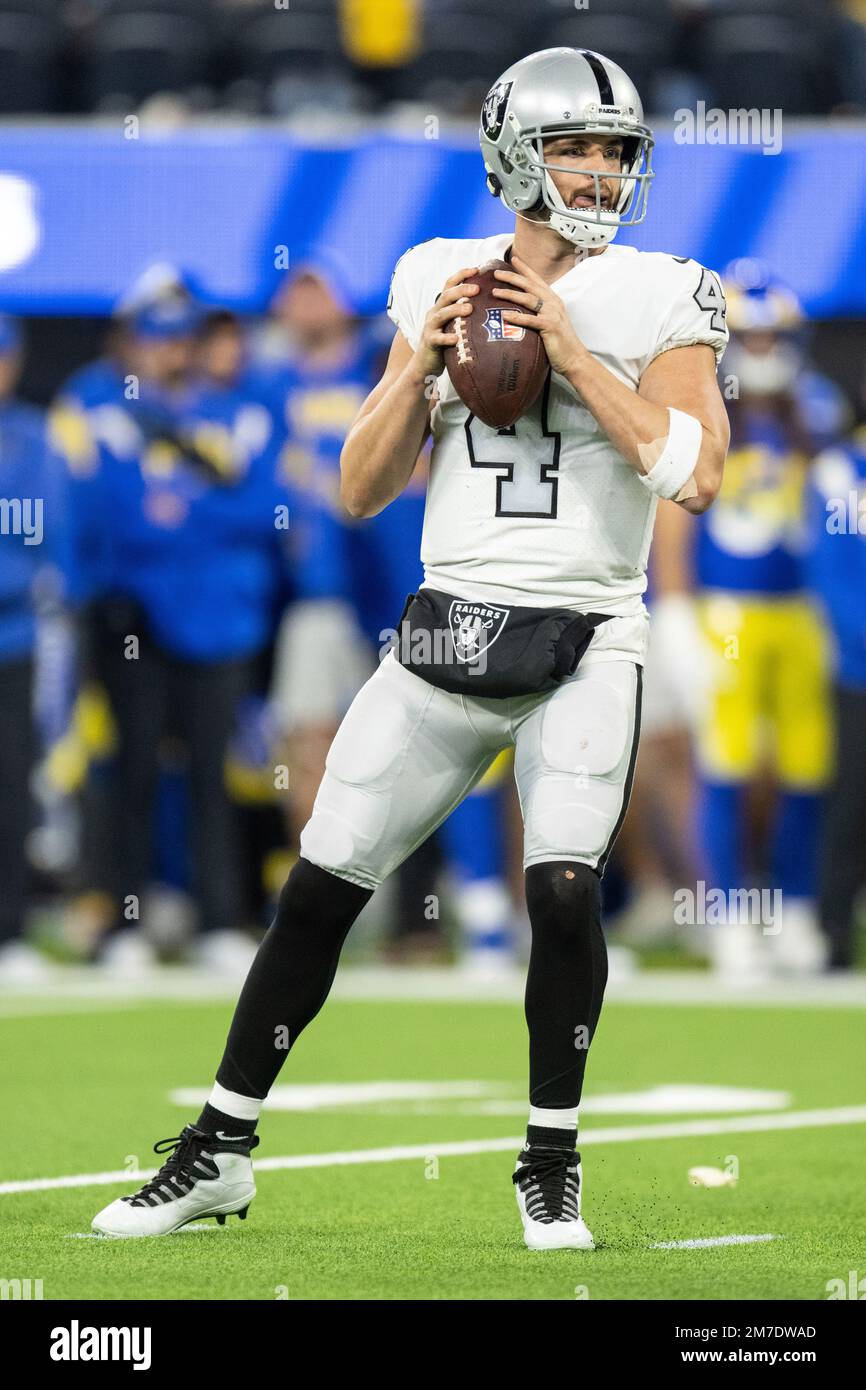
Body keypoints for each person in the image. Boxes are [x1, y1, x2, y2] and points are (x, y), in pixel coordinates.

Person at [92, 47, 729, 1250]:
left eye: (615, 150)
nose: (599, 171)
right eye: (573, 147)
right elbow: (357, 486)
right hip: (446, 625)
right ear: (511, 158)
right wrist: (419, 369)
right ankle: (218, 1148)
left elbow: (696, 474)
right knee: (319, 886)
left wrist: (574, 357)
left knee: (563, 889)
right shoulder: (437, 273)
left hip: (586, 633)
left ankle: (549, 1161)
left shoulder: (663, 290)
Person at [0, 316, 70, 983]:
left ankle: (10, 928)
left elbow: (44, 538)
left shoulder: (31, 438)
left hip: (13, 638)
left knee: (11, 782)